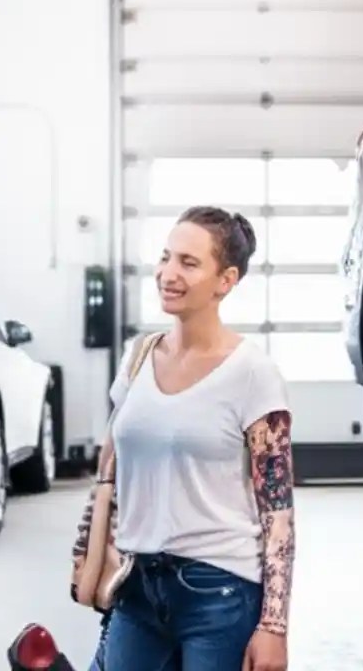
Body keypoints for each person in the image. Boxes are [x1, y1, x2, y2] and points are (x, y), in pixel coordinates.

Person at [83, 206, 297, 671]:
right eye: (165, 257)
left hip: (219, 591)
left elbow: (278, 513)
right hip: (137, 584)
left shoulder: (254, 374)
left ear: (226, 280)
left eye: (188, 262)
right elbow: (112, 461)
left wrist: (274, 627)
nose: (168, 273)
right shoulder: (137, 357)